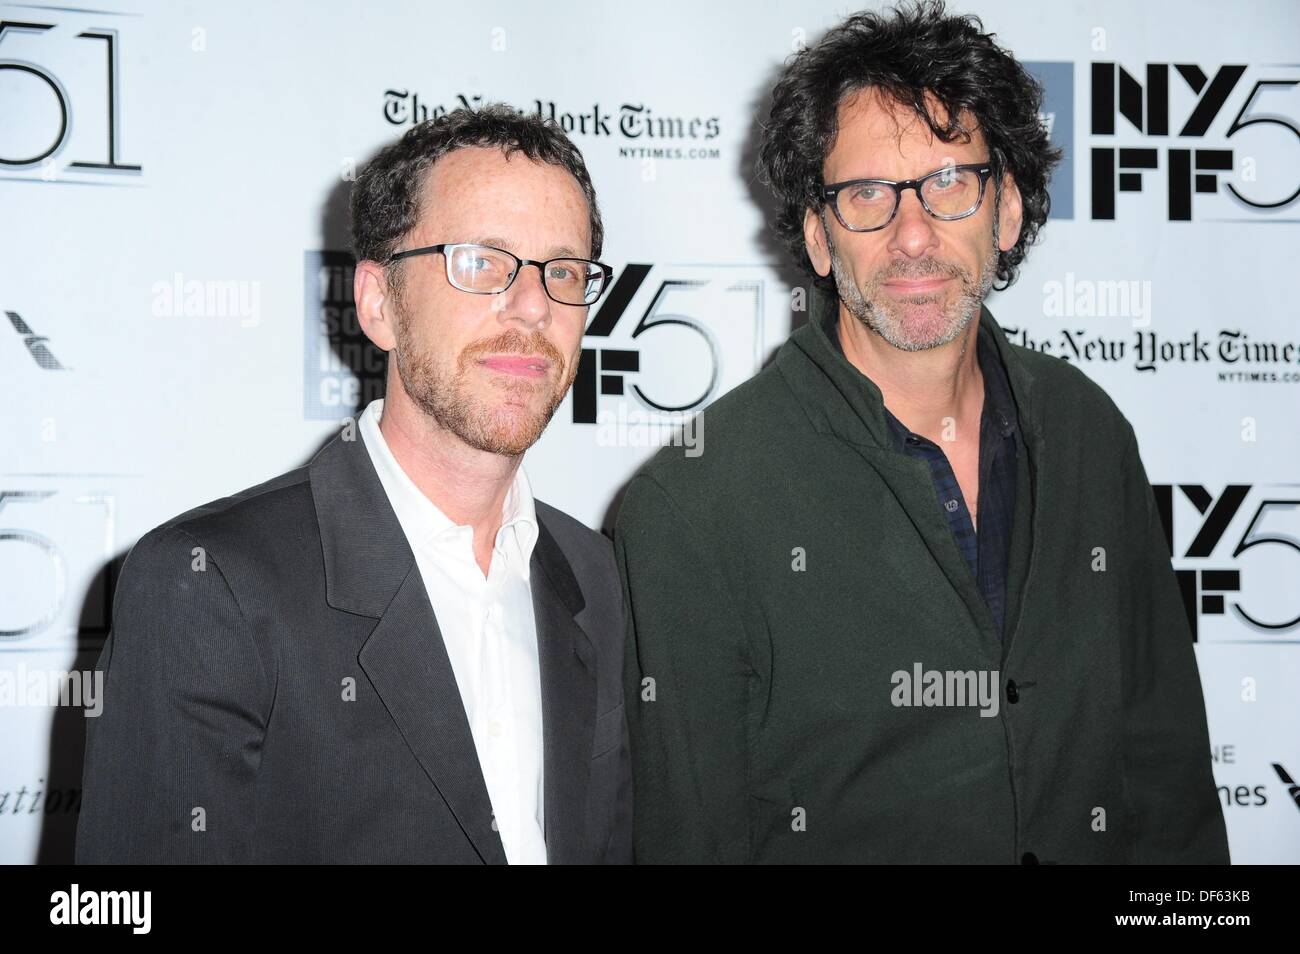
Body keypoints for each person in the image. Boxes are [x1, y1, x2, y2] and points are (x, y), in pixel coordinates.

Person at [615, 2, 1228, 863]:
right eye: (867, 194)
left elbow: (1169, 789)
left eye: (950, 183)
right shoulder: (694, 506)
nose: (913, 234)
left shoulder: (1089, 434)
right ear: (819, 239)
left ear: (1007, 210)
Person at [77, 105, 632, 864]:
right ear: (378, 305)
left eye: (562, 271)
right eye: (480, 261)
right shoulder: (208, 586)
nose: (533, 306)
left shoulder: (591, 573)